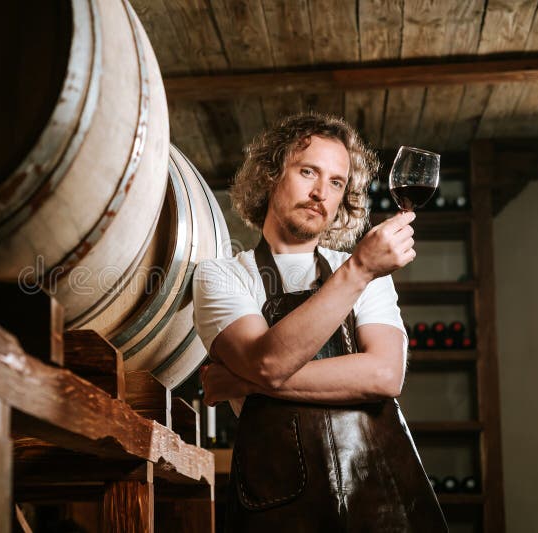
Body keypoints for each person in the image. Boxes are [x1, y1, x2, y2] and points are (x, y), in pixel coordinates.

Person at [192, 112, 448, 531]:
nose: (320, 193)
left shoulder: (358, 269)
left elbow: (385, 375)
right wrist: (361, 270)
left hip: (379, 498)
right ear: (271, 175)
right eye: (307, 171)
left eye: (336, 182)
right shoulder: (221, 276)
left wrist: (243, 382)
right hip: (278, 504)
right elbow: (270, 362)